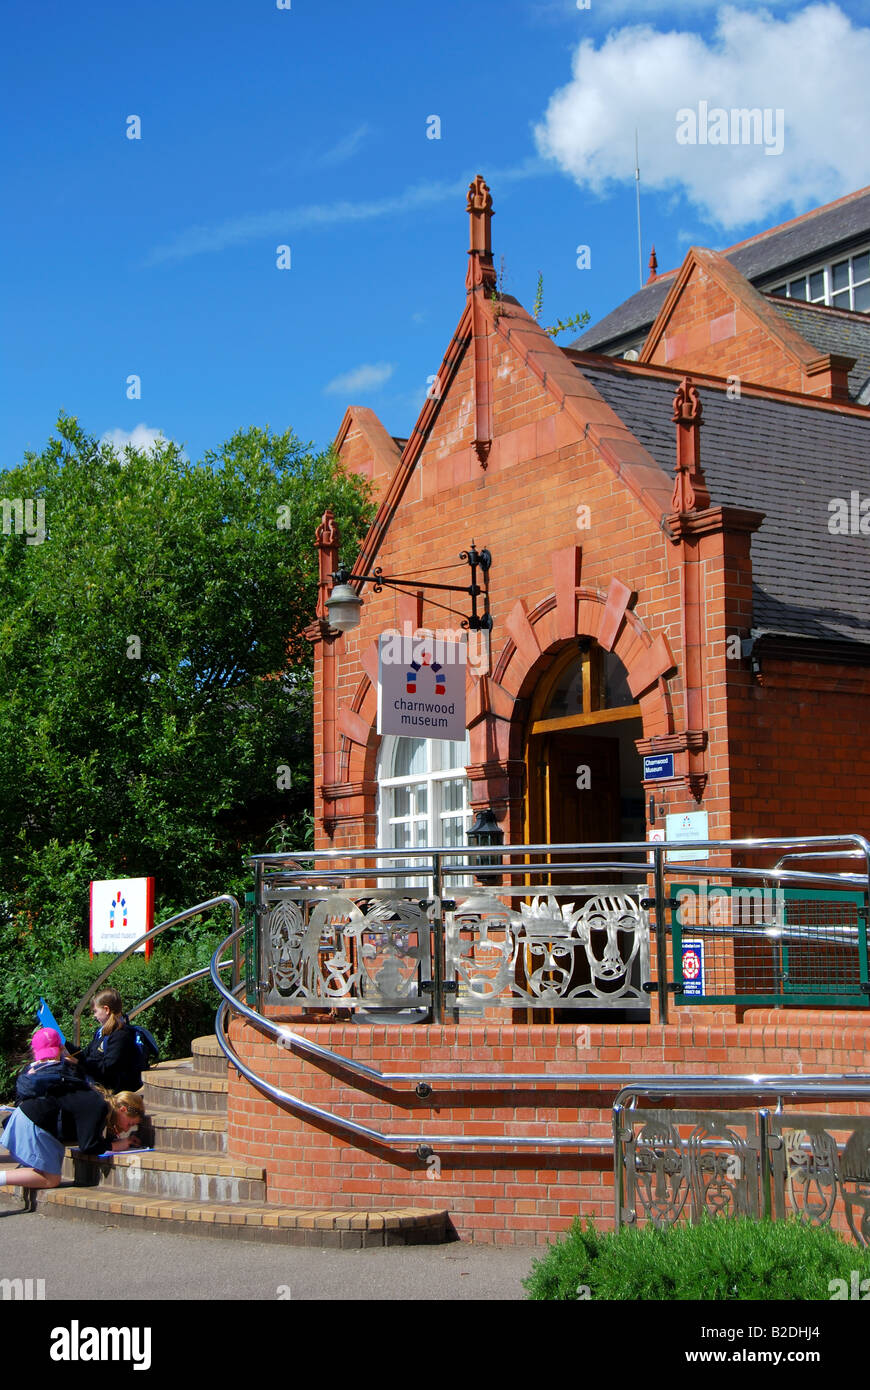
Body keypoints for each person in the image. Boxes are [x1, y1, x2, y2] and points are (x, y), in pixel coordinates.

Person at [65, 989, 143, 1093]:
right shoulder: (102, 1032)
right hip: (98, 1086)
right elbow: (85, 1054)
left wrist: (79, 1062)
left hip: (111, 1092)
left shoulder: (121, 1035)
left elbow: (109, 1067)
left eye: (95, 1011)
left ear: (106, 1009)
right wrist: (64, 1044)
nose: (94, 1016)